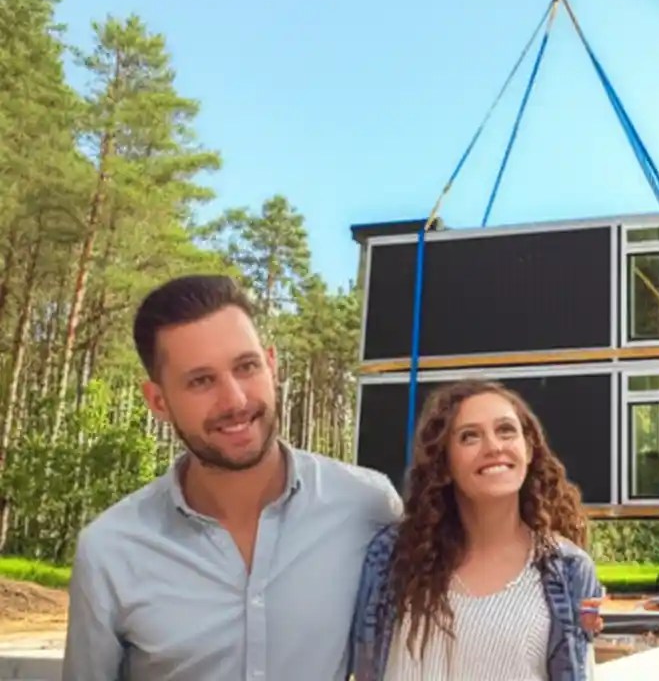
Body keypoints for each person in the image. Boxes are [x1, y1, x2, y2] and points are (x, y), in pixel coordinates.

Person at [62, 274, 403, 681]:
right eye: (201, 381)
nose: (236, 401)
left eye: (246, 367)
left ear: (272, 365)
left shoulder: (368, 506)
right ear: (158, 401)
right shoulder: (110, 551)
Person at [348, 379, 605, 681]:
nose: (494, 447)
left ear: (529, 448)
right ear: (443, 462)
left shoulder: (569, 569)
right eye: (470, 437)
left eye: (506, 430)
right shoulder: (390, 557)